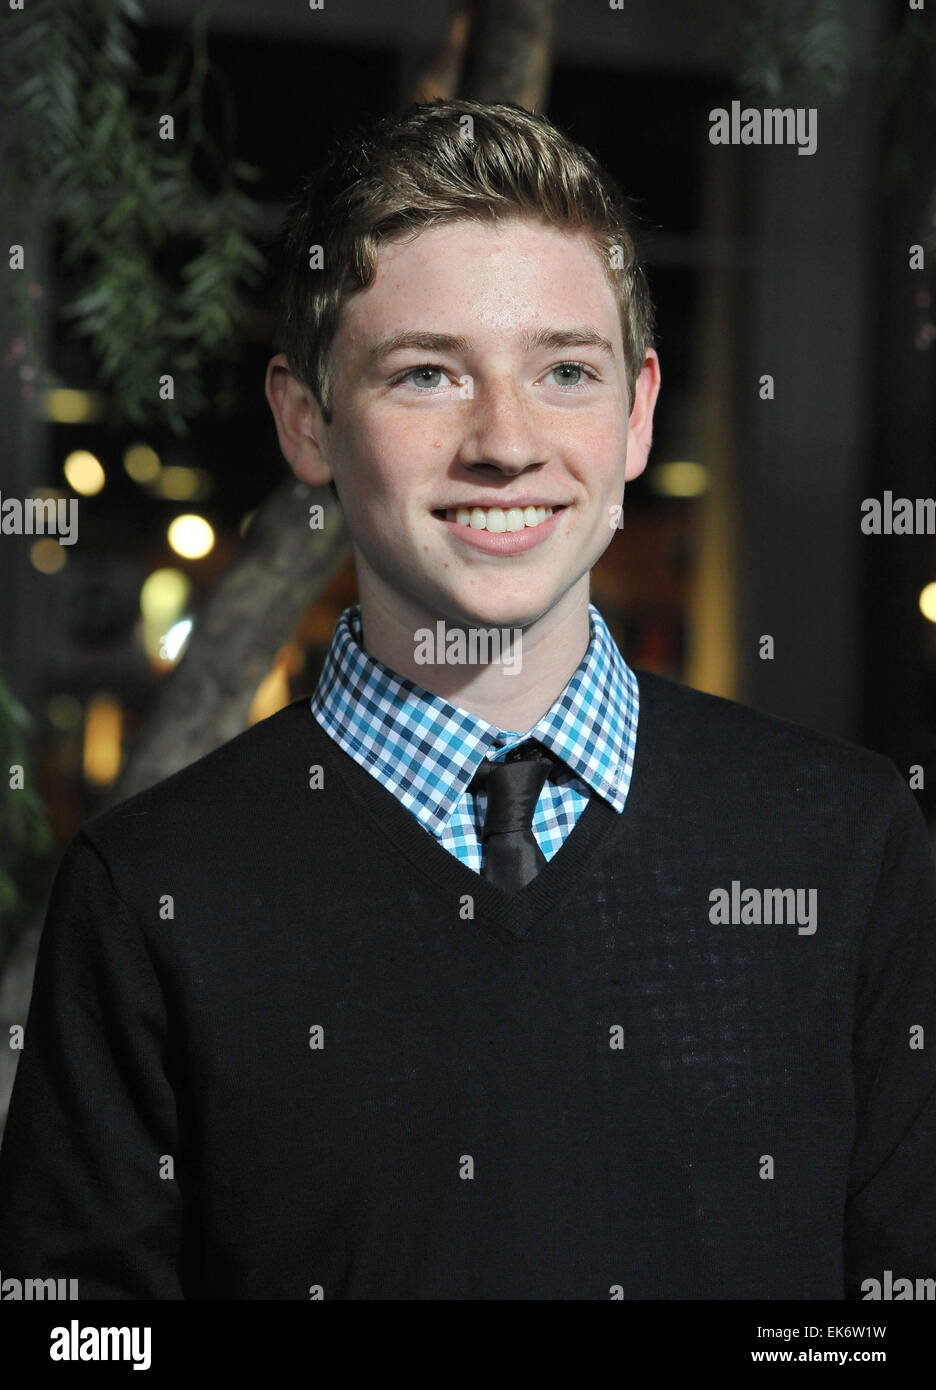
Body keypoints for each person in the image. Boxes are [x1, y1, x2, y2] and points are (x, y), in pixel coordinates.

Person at [1, 98, 934, 1301]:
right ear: (306, 421)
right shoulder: (154, 891)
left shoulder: (847, 846)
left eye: (564, 370)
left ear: (639, 411)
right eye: (429, 373)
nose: (507, 442)